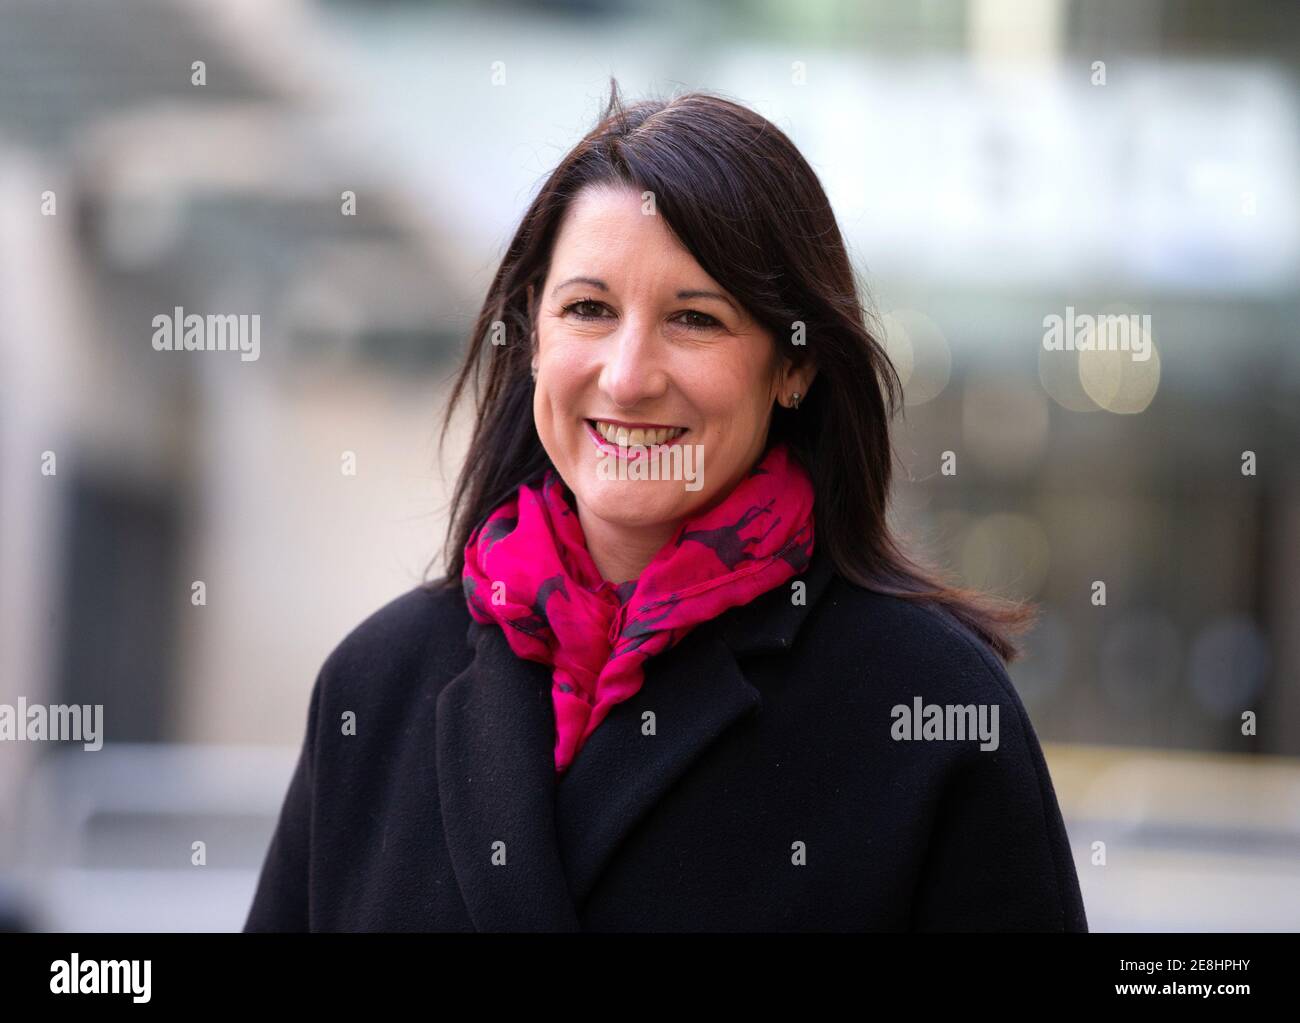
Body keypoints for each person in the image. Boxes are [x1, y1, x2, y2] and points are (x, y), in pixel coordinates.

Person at [243, 80, 1088, 932]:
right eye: (588, 309)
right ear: (534, 337)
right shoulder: (377, 683)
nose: (628, 375)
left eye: (694, 318)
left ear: (794, 366)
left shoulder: (927, 703)